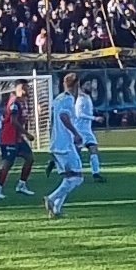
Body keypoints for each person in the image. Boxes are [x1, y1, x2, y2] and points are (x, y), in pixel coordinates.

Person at [44, 73, 87, 218]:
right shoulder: (68, 99)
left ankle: (56, 209)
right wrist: (75, 133)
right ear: (77, 84)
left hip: (56, 143)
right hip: (65, 145)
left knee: (69, 177)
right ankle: (51, 198)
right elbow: (64, 117)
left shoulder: (57, 99)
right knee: (78, 177)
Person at [0, 79, 36, 199]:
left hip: (17, 138)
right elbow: (13, 121)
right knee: (7, 163)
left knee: (29, 158)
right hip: (9, 137)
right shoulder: (14, 102)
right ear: (16, 88)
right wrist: (27, 134)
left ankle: (21, 185)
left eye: (26, 87)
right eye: (22, 87)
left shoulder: (23, 101)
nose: (25, 90)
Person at [75, 81, 104, 182]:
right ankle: (75, 172)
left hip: (87, 130)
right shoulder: (80, 99)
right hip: (79, 130)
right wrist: (94, 118)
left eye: (90, 84)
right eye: (87, 84)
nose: (90, 86)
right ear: (82, 86)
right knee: (76, 153)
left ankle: (96, 174)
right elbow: (79, 114)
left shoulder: (87, 97)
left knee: (94, 149)